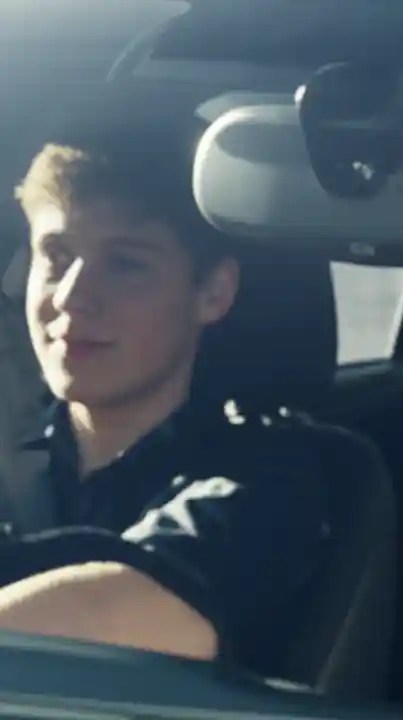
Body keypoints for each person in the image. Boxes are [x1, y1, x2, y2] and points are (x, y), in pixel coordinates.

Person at [0, 123, 334, 670]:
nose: (72, 297)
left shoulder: (265, 481)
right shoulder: (12, 457)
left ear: (213, 293)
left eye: (125, 264)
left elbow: (129, 615)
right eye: (56, 255)